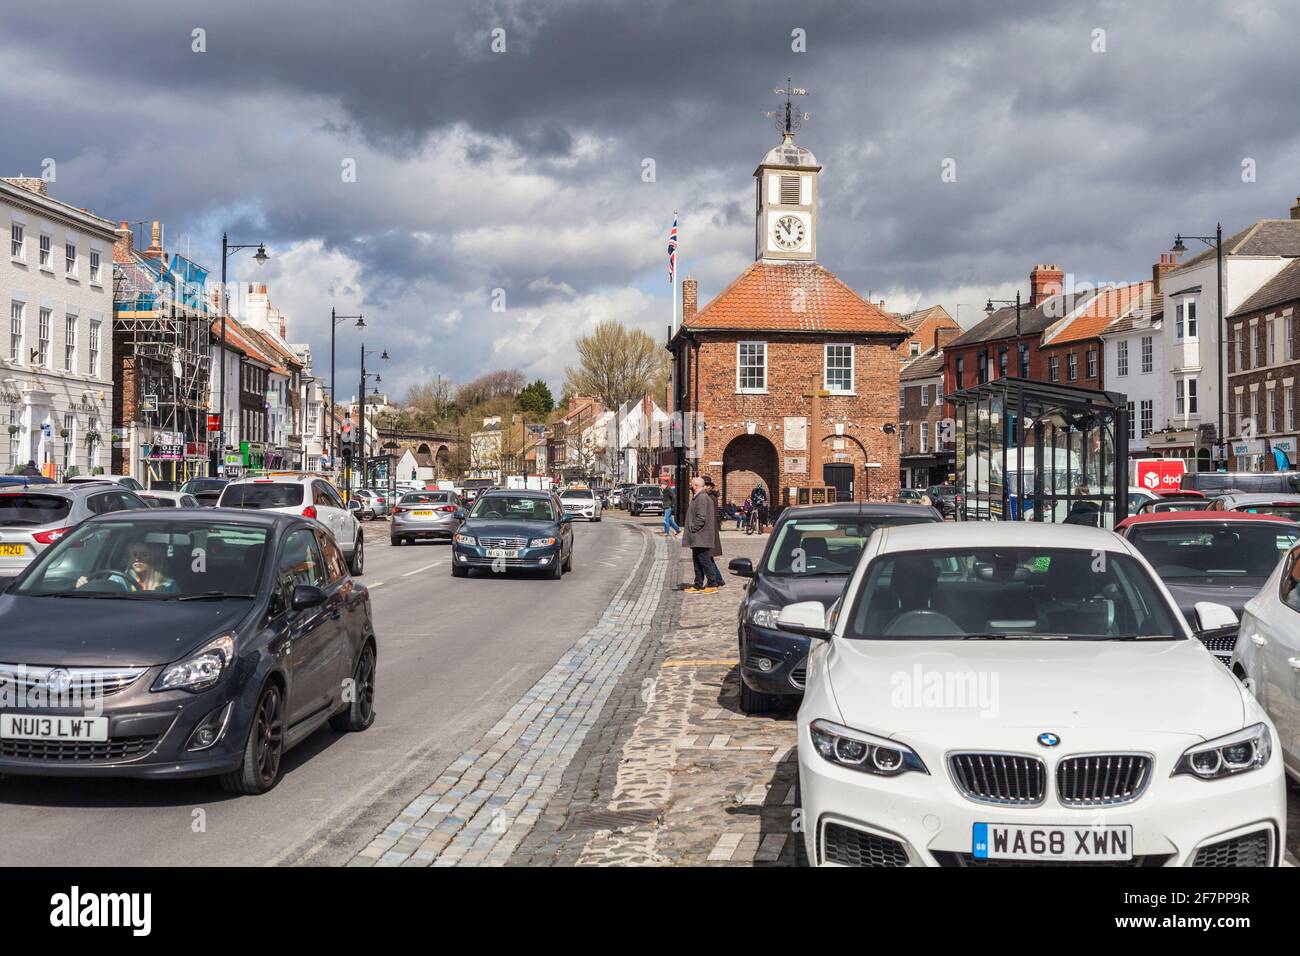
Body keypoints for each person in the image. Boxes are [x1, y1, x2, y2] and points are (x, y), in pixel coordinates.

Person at [682, 475, 723, 593]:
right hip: (698, 536)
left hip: (701, 535)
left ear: (696, 486)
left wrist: (693, 528)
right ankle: (698, 584)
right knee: (697, 561)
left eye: (692, 484)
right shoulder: (699, 497)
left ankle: (712, 584)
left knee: (704, 561)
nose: (690, 486)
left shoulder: (702, 498)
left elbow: (701, 518)